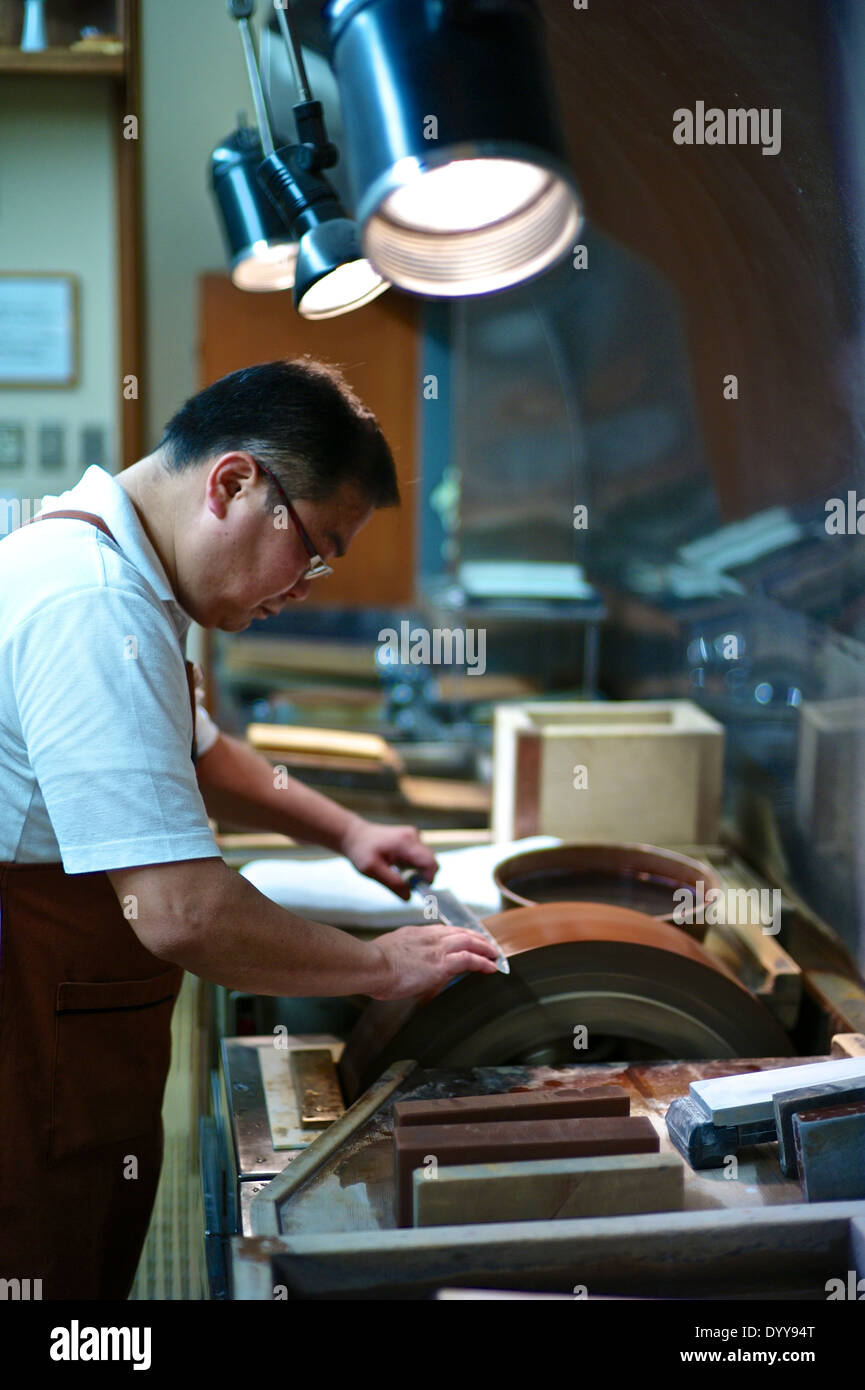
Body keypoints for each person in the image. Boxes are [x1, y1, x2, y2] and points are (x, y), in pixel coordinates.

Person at [0, 358, 498, 1300]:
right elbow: (181, 912)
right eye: (313, 549)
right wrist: (382, 968)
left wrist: (346, 830)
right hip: (25, 1028)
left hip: (75, 1022)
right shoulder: (92, 603)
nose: (306, 585)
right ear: (234, 483)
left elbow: (191, 751)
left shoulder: (117, 567)